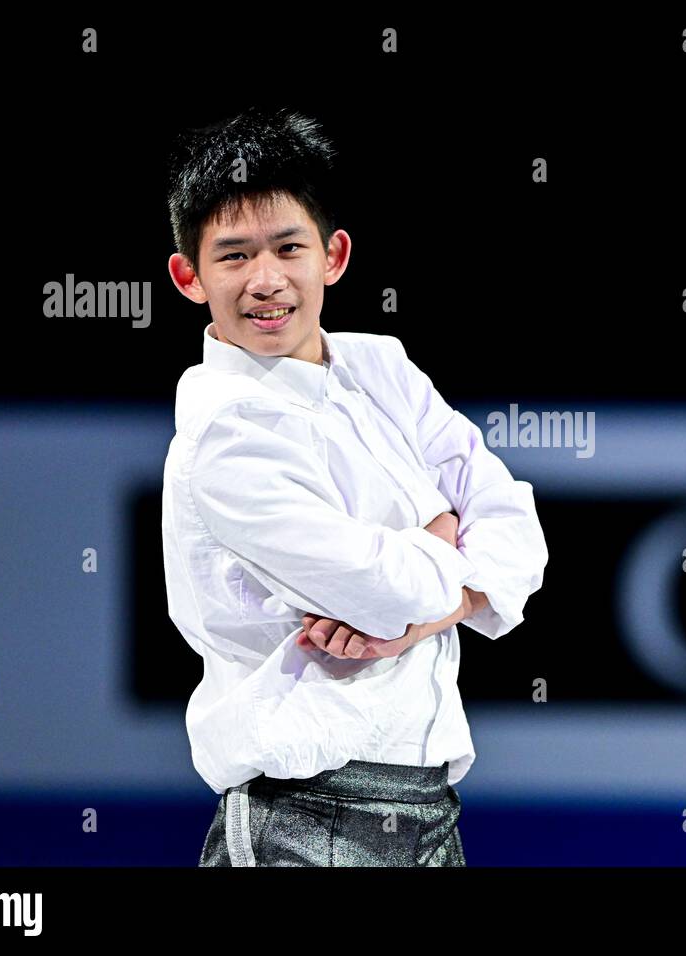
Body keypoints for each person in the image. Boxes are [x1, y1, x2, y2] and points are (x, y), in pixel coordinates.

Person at [159, 107, 547, 866]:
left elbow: (515, 528)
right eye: (233, 256)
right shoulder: (224, 436)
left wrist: (432, 612)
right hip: (301, 813)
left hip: (430, 803)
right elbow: (382, 587)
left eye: (288, 247)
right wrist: (441, 532)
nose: (265, 279)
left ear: (332, 256)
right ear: (189, 276)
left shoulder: (382, 368)